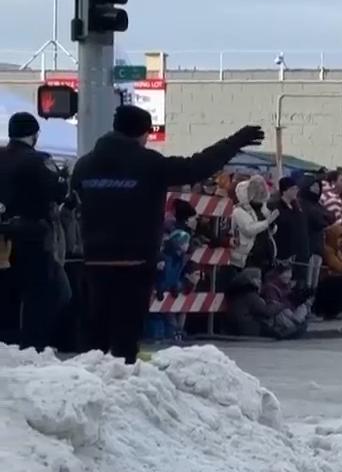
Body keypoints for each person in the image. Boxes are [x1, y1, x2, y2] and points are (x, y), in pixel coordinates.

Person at [71, 104, 265, 363]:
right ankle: (120, 379)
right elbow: (198, 165)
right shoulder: (148, 163)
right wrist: (235, 141)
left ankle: (89, 381)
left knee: (95, 333)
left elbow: (75, 200)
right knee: (126, 335)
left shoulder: (85, 165)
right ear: (143, 133)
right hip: (135, 260)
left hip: (95, 259)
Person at [0, 112, 69, 350]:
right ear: (34, 134)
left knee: (6, 294)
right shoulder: (38, 160)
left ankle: (6, 344)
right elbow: (59, 190)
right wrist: (63, 178)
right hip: (31, 236)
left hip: (3, 234)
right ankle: (33, 347)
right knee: (41, 293)